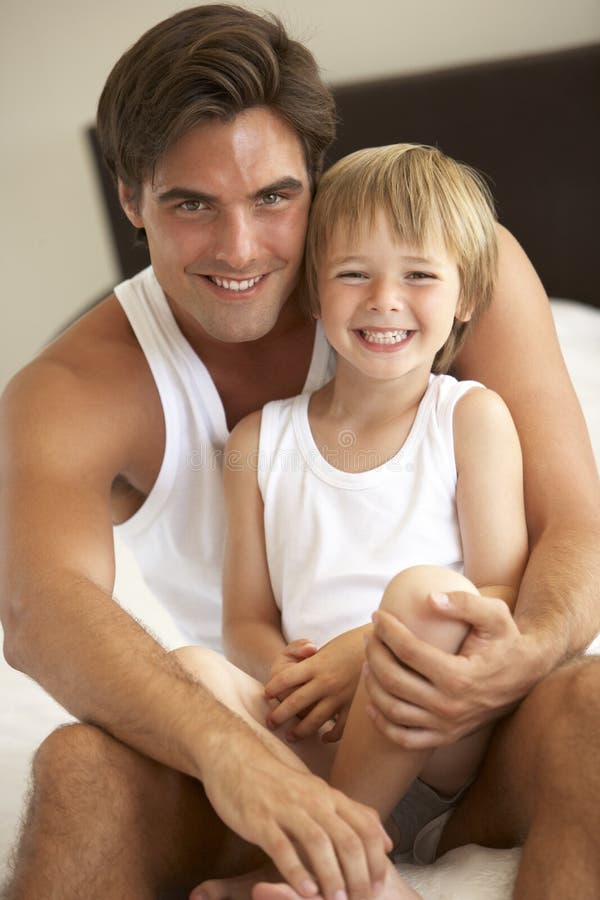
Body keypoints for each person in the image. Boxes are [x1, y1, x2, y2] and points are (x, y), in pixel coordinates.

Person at [0, 5, 598, 899]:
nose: (240, 250)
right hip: (282, 733)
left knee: (593, 709)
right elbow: (41, 613)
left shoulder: (461, 270)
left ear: (314, 177)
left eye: (274, 197)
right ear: (131, 197)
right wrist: (234, 755)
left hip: (476, 730)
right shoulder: (71, 393)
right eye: (191, 204)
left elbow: (575, 529)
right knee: (82, 768)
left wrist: (527, 648)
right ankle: (316, 856)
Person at [172, 142, 530, 899]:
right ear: (312, 290)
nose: (384, 300)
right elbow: (244, 619)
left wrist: (358, 656)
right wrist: (293, 682)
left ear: (466, 296)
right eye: (353, 273)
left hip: (432, 733)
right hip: (310, 739)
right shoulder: (257, 443)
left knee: (425, 592)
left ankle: (333, 861)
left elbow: (495, 591)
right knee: (186, 672)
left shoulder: (469, 417)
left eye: (420, 276)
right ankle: (364, 873)